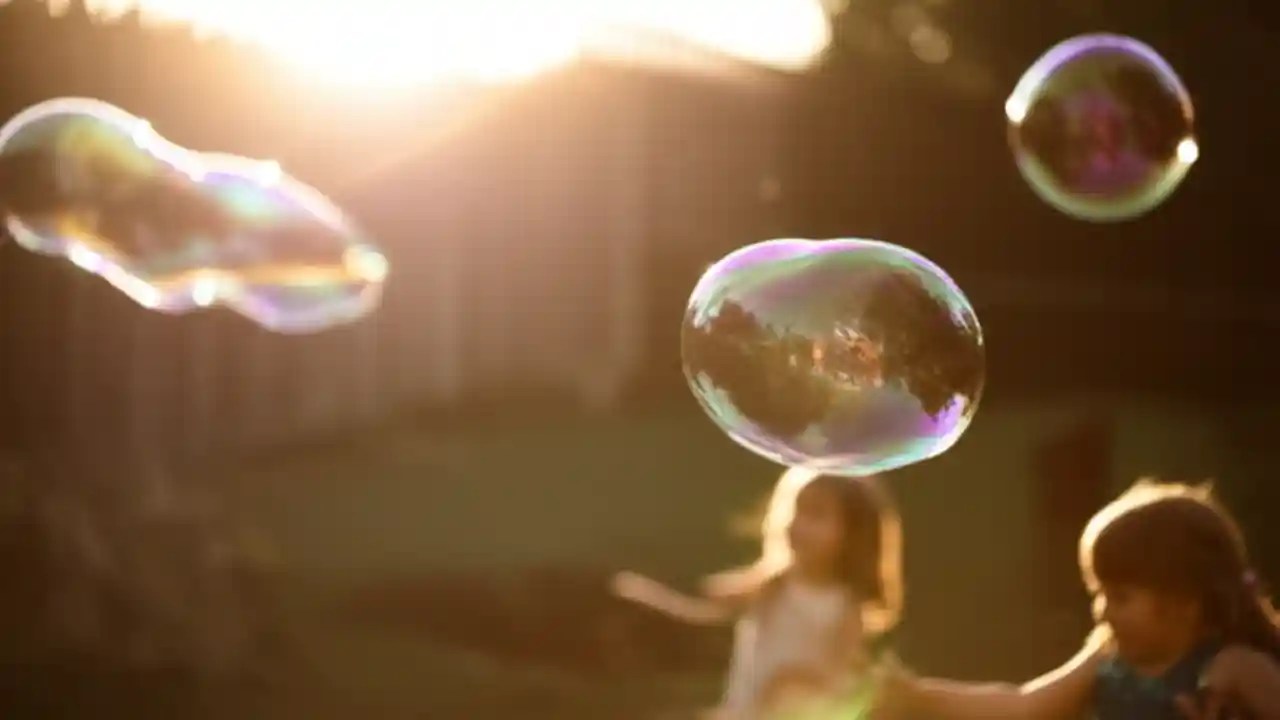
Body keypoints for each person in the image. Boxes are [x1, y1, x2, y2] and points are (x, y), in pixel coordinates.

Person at [883, 479, 1280, 720]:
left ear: (1185, 601)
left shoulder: (1233, 667)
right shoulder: (1105, 659)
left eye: (1120, 596)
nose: (1102, 612)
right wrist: (917, 695)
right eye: (1098, 593)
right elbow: (1024, 706)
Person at [613, 467, 902, 719]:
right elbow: (704, 610)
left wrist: (794, 686)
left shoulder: (846, 605)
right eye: (797, 510)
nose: (799, 524)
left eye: (816, 515)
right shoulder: (772, 585)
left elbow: (838, 677)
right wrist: (651, 599)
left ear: (853, 533)